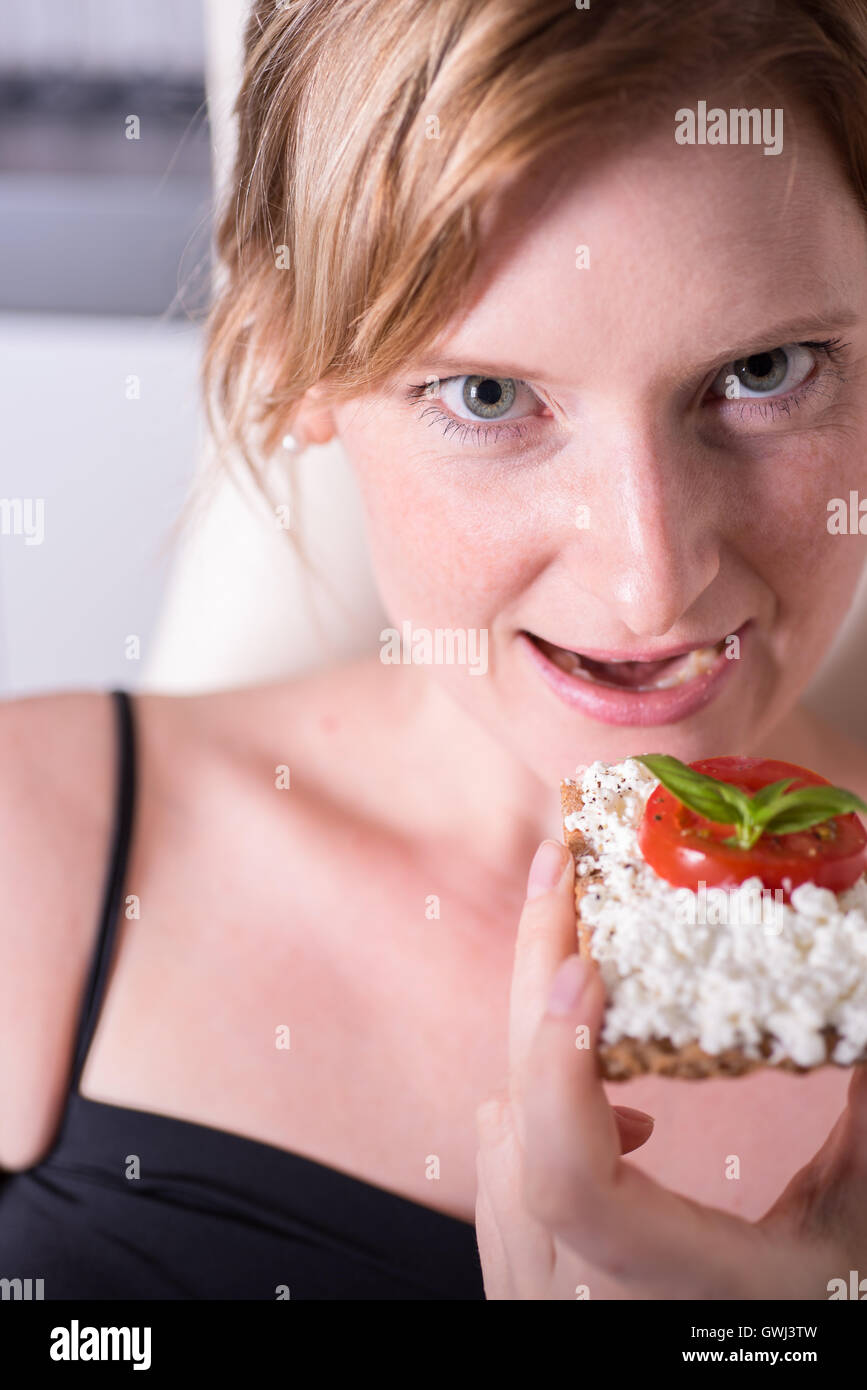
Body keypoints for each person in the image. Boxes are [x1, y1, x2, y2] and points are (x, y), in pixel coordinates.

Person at [2, 0, 867, 1299]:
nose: (649, 578)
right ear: (294, 362)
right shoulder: (32, 850)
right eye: (490, 396)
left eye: (765, 369)